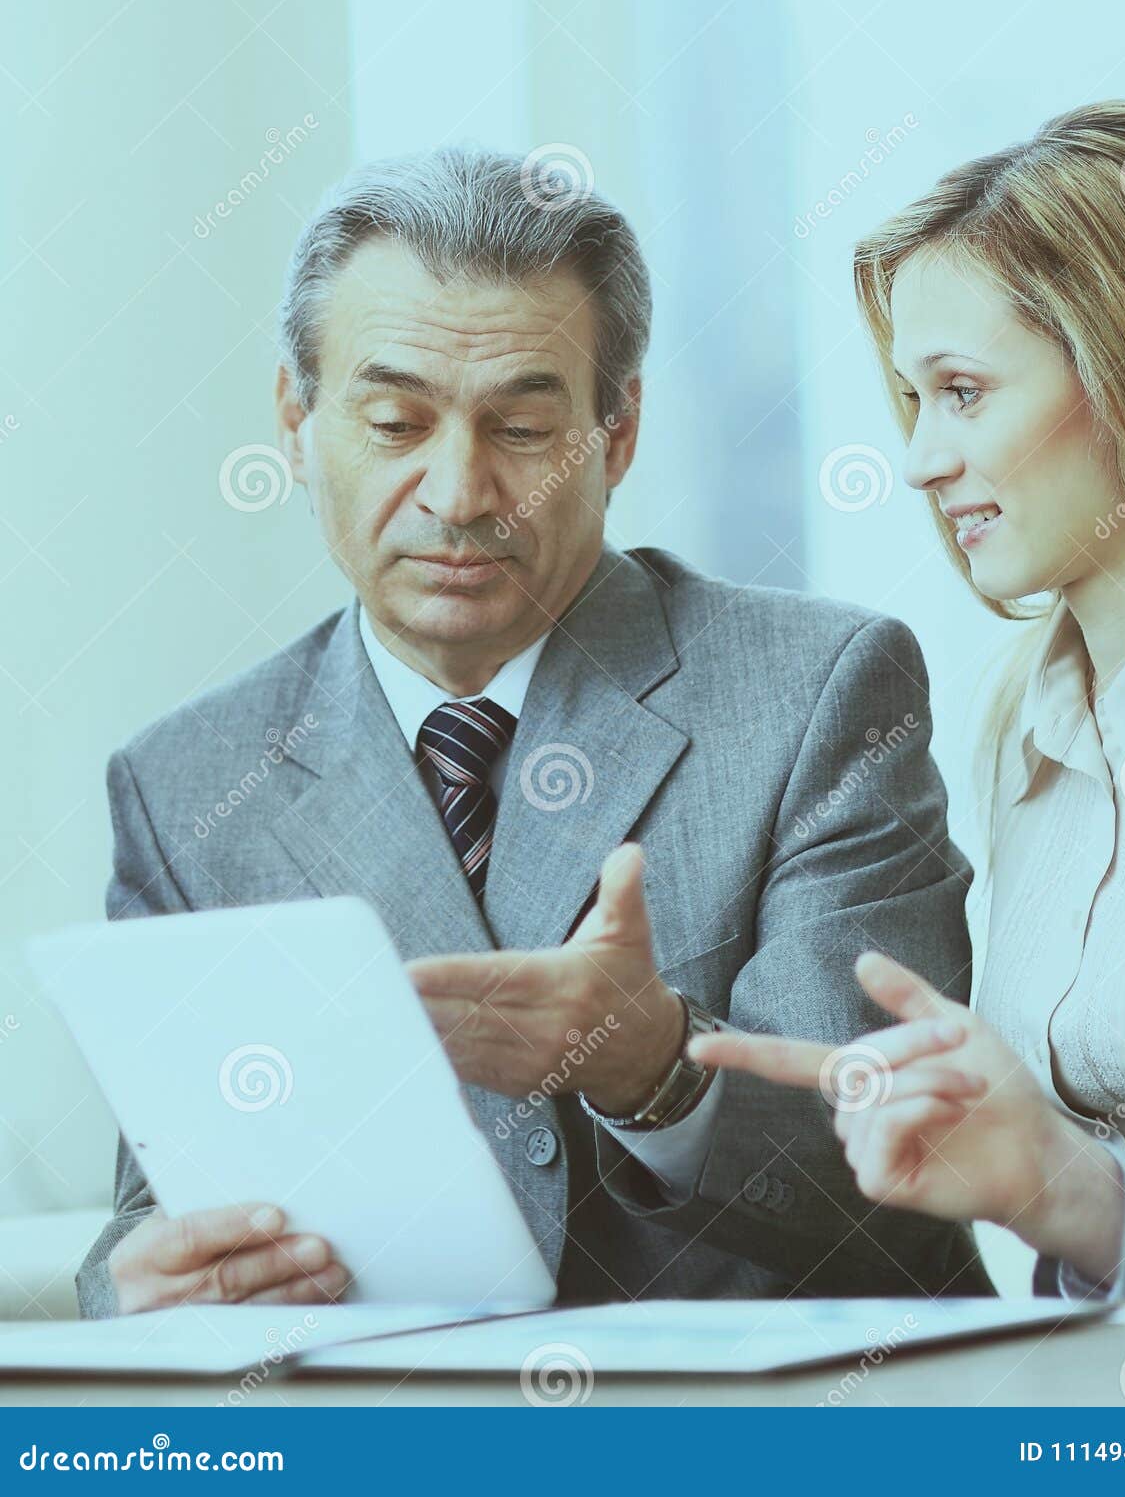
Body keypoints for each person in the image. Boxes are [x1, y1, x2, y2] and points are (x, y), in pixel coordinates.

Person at [76, 147, 990, 1316]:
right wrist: (139, 1291)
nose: (457, 494)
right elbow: (153, 1212)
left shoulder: (817, 692)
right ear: (296, 426)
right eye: (396, 421)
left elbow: (898, 1185)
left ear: (616, 435)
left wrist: (658, 1068)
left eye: (520, 429)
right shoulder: (189, 785)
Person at [692, 101, 1125, 1298]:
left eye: (963, 391)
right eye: (912, 401)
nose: (920, 457)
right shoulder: (1030, 724)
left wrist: (1076, 1192)